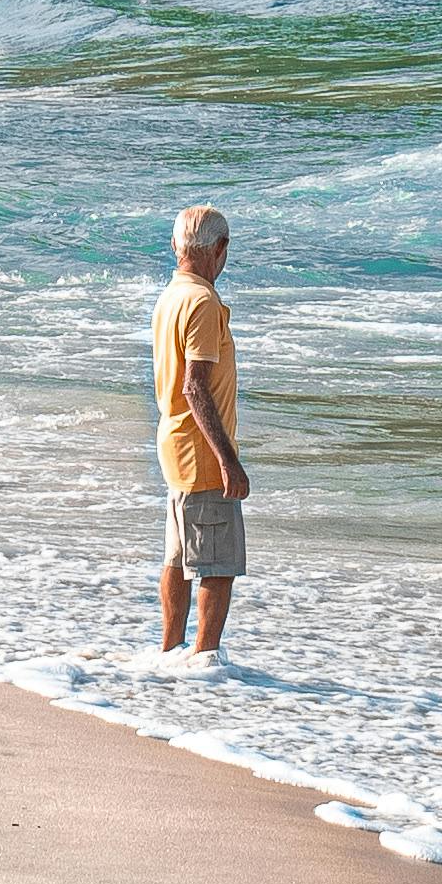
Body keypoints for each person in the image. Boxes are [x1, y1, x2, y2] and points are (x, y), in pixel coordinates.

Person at [151, 205, 249, 661]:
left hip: (176, 448)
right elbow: (195, 386)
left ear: (176, 246)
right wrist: (228, 459)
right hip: (204, 455)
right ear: (219, 249)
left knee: (177, 559)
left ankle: (169, 651)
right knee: (217, 566)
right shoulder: (203, 302)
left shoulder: (172, 294)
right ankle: (204, 663)